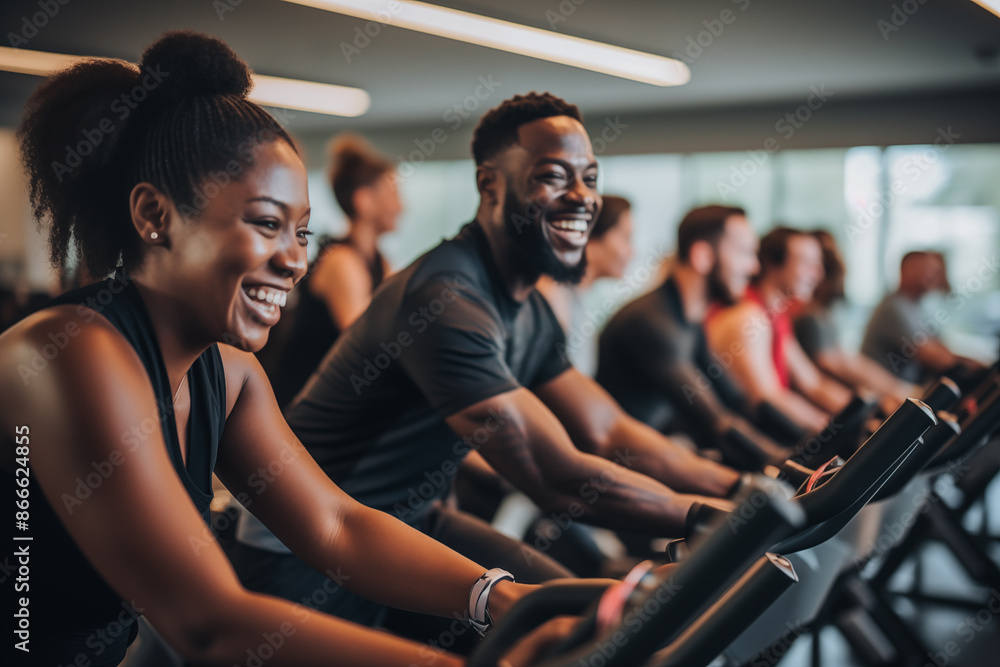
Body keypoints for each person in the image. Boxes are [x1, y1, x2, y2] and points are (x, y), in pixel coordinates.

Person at [0, 32, 568, 667]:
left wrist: (504, 599)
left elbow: (339, 529)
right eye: (267, 223)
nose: (296, 261)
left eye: (301, 232)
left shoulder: (231, 377)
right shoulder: (66, 353)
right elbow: (207, 624)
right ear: (154, 214)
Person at [229, 92, 742, 616]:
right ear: (489, 184)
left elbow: (607, 429)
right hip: (306, 545)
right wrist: (712, 518)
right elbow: (553, 477)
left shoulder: (527, 308)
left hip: (409, 518)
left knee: (579, 621)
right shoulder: (446, 297)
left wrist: (744, 487)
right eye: (553, 176)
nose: (582, 196)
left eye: (590, 177)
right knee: (556, 625)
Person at [597, 205, 791, 471]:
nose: (754, 267)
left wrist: (811, 443)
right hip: (623, 470)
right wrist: (792, 466)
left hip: (663, 453)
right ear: (702, 256)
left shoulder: (690, 319)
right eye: (744, 253)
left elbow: (737, 401)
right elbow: (717, 422)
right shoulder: (650, 322)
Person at [260, 134, 401, 408]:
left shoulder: (379, 261)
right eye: (393, 194)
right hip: (298, 400)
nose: (401, 206)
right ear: (364, 200)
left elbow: (400, 319)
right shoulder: (340, 261)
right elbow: (367, 342)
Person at [705, 227, 852, 434]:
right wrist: (835, 429)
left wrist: (865, 416)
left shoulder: (776, 314)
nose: (818, 274)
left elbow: (813, 383)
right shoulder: (748, 316)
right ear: (773, 264)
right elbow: (769, 399)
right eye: (807, 263)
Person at [795, 230, 915, 408]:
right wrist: (881, 401)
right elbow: (831, 366)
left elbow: (847, 360)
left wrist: (896, 389)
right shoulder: (809, 318)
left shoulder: (821, 315)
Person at [536, 194, 633, 377]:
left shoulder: (581, 300)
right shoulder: (554, 297)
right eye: (626, 238)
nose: (632, 251)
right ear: (589, 237)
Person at [862, 250, 987, 387]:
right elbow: (935, 359)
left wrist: (977, 362)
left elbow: (940, 346)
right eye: (929, 270)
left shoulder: (918, 307)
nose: (935, 276)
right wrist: (971, 363)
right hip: (886, 394)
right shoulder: (893, 308)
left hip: (906, 389)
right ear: (906, 271)